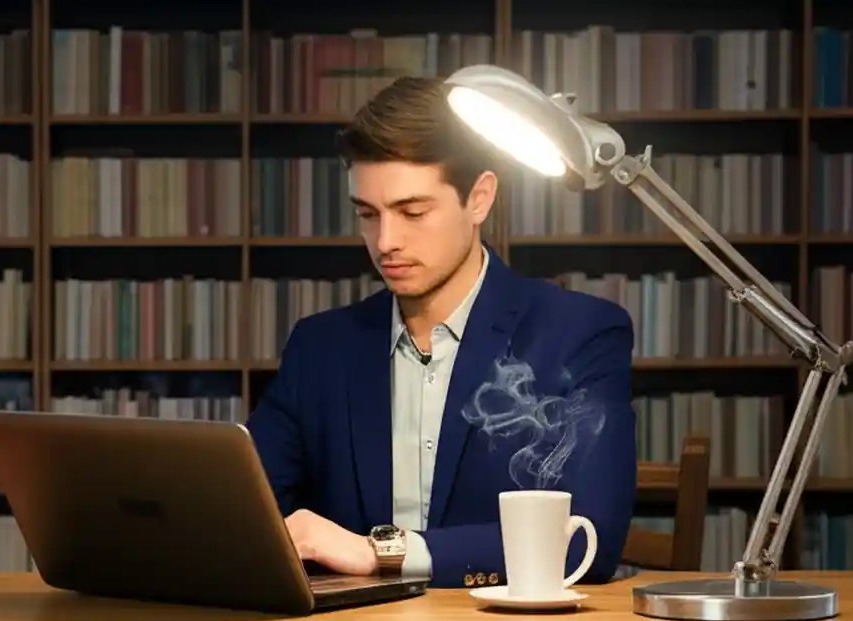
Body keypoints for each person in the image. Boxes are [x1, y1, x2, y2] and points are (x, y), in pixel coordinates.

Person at [243, 75, 638, 589]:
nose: (386, 242)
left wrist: (379, 552)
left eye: (413, 212)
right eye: (367, 214)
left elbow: (588, 542)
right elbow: (244, 514)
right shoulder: (320, 348)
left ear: (479, 199)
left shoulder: (578, 334)